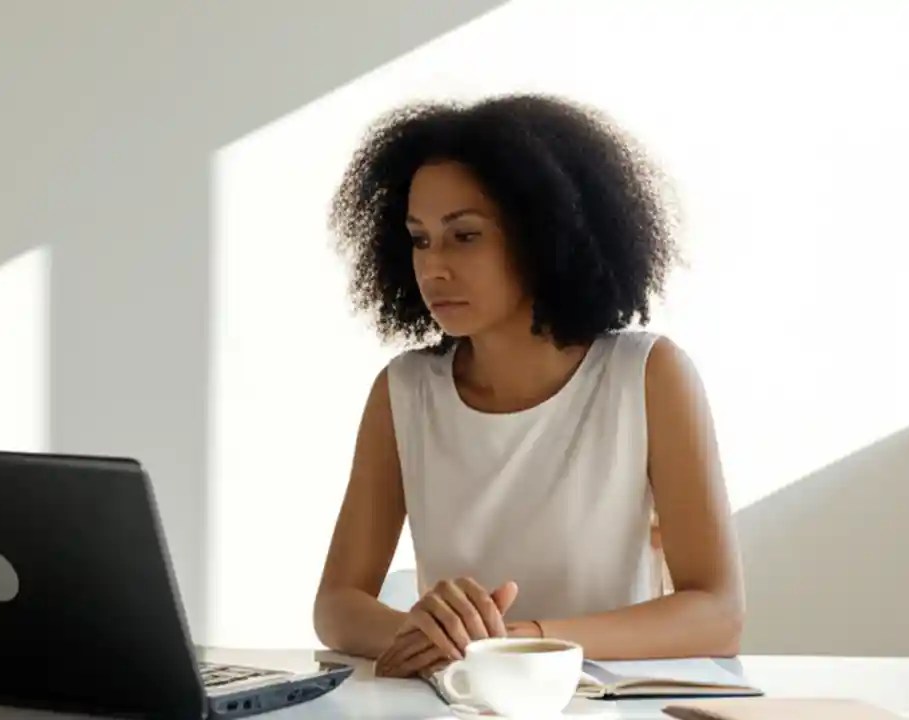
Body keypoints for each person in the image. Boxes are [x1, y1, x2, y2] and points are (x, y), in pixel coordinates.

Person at [313, 94, 744, 679]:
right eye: (419, 238)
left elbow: (718, 613)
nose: (433, 267)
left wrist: (527, 643)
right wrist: (429, 633)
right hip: (459, 704)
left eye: (465, 236)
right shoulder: (404, 392)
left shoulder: (646, 376)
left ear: (543, 235)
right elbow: (337, 606)